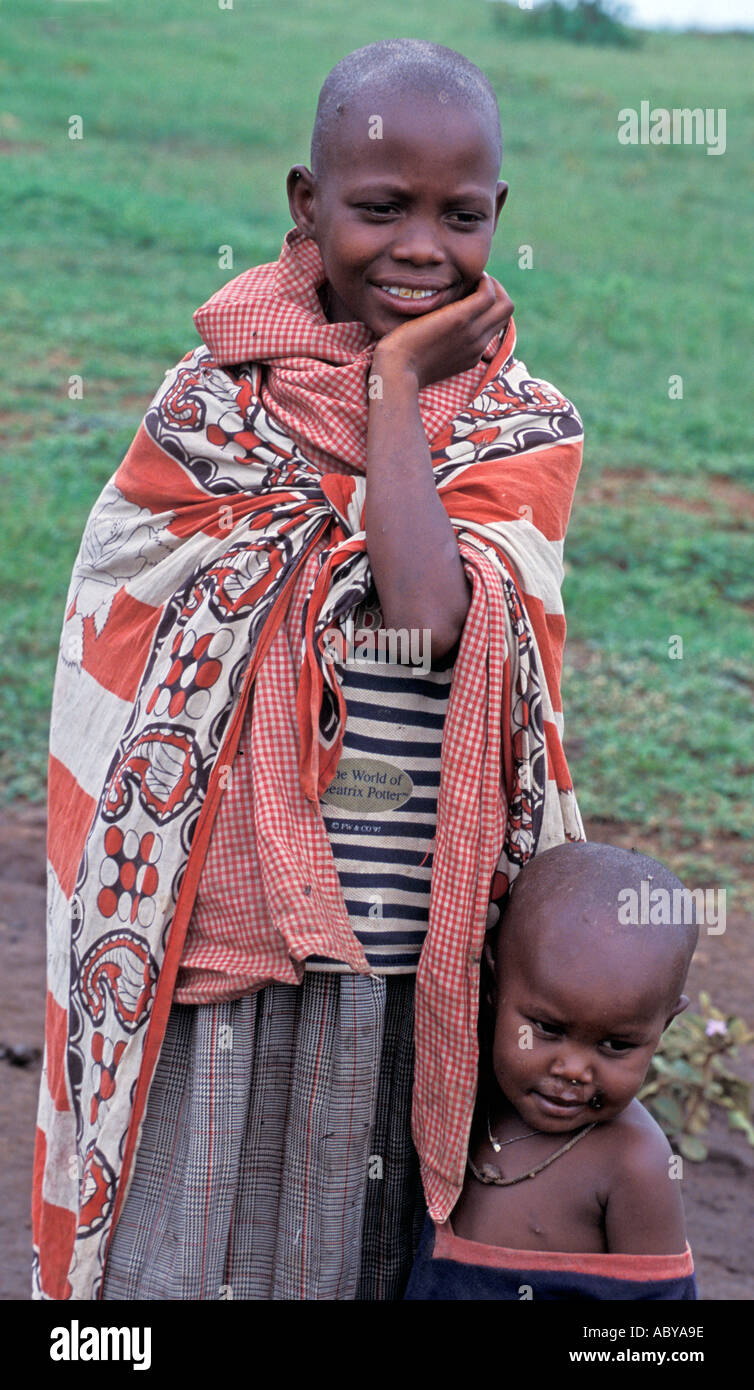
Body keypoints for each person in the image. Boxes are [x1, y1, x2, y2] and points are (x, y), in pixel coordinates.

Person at [32, 39, 586, 1301]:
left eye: (458, 216)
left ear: (498, 217)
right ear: (306, 204)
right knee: (184, 1251)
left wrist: (394, 388)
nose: (419, 249)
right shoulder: (212, 405)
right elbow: (132, 622)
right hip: (206, 935)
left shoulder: (521, 427)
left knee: (351, 1255)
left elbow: (435, 612)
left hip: (408, 945)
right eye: (379, 207)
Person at [404, 841, 699, 1299]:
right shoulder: (455, 1101)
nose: (574, 1069)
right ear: (493, 984)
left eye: (616, 1045)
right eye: (547, 1029)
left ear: (665, 1025)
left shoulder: (635, 1164)